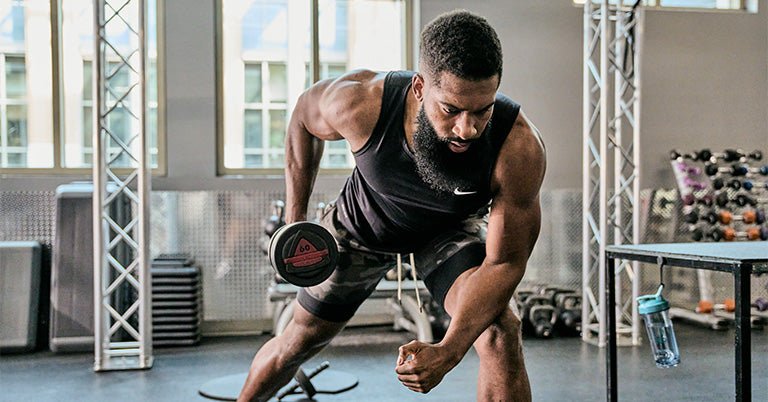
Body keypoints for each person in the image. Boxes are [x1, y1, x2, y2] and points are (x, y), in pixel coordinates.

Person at [238, 9, 545, 402]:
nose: (467, 129)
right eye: (451, 109)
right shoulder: (361, 103)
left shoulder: (517, 147)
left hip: (446, 231)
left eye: (482, 110)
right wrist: (295, 222)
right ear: (419, 87)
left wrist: (449, 351)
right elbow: (302, 116)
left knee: (500, 331)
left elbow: (504, 264)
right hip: (363, 224)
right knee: (298, 341)